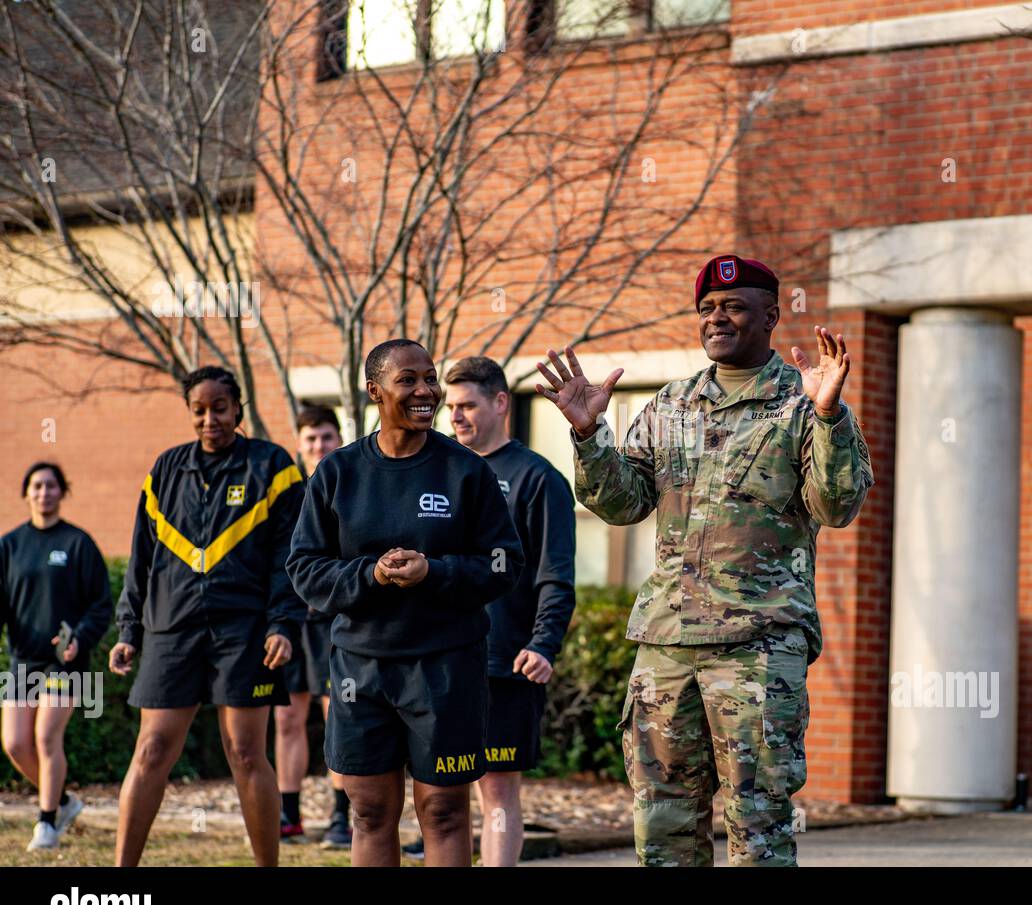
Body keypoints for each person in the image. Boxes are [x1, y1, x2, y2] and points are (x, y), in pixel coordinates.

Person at [534, 255, 873, 866]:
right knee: (662, 820)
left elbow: (837, 504)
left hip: (758, 644)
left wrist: (829, 418)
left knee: (759, 818)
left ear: (771, 317)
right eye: (707, 309)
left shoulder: (803, 404)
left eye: (734, 307)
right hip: (666, 643)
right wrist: (590, 436)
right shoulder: (670, 404)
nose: (716, 318)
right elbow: (622, 503)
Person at [287, 339, 524, 867]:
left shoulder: (465, 471)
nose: (426, 392)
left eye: (430, 378)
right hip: (360, 668)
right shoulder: (337, 473)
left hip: (447, 667)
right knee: (369, 812)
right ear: (374, 391)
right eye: (408, 380)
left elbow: (505, 565)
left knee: (443, 812)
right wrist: (369, 574)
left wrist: (433, 571)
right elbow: (303, 570)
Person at [110, 366, 305, 866]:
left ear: (238, 408)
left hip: (243, 633)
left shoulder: (273, 466)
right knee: (152, 749)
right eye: (198, 410)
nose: (209, 419)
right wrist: (128, 629)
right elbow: (141, 558)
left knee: (245, 753)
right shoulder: (165, 470)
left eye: (219, 408)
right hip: (171, 630)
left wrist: (283, 624)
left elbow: (291, 555)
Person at [400, 356, 575, 865]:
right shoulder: (442, 470)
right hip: (440, 655)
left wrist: (543, 644)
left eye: (467, 405)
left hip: (506, 661)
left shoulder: (537, 479)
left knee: (496, 791)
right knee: (439, 789)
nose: (455, 417)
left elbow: (556, 575)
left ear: (501, 403)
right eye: (450, 407)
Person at [0, 462, 111, 851]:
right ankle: (64, 802)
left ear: (62, 492)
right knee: (15, 743)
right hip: (22, 659)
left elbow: (101, 604)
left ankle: (46, 823)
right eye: (36, 486)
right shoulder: (9, 545)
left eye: (51, 486)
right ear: (26, 492)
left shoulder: (78, 543)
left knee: (47, 736)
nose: (43, 492)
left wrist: (80, 637)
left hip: (67, 660)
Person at [275, 404, 351, 848]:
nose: (319, 445)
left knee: (335, 718)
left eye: (326, 436)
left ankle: (341, 818)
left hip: (333, 623)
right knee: (287, 719)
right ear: (300, 445)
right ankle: (288, 817)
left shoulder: (349, 488)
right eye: (310, 439)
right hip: (290, 624)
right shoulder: (290, 495)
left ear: (337, 439)